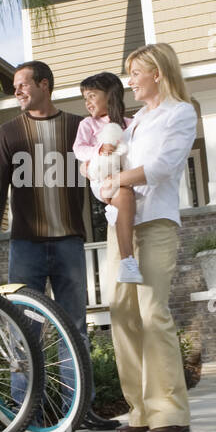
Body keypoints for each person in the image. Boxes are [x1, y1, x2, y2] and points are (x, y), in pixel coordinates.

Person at [0, 60, 119, 431]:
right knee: (22, 327)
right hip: (25, 244)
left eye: (23, 85)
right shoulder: (9, 132)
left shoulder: (79, 127)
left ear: (45, 85)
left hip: (69, 244)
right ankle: (24, 413)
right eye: (15, 87)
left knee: (73, 327)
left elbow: (109, 164)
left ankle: (82, 410)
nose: (17, 92)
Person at [103, 44, 198, 432]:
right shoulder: (135, 122)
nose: (130, 82)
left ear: (157, 73)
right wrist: (107, 183)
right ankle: (139, 410)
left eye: (136, 73)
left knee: (152, 313)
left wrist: (117, 180)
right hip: (118, 225)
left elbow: (161, 167)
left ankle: (169, 413)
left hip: (155, 224)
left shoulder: (181, 112)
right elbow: (107, 169)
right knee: (121, 313)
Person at [74, 72, 141, 284]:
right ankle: (128, 260)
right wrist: (100, 149)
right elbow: (79, 149)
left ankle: (116, 211)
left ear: (110, 94)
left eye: (92, 96)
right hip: (102, 179)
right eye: (85, 98)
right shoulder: (88, 124)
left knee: (125, 192)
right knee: (123, 192)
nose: (88, 103)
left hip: (126, 175)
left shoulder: (131, 124)